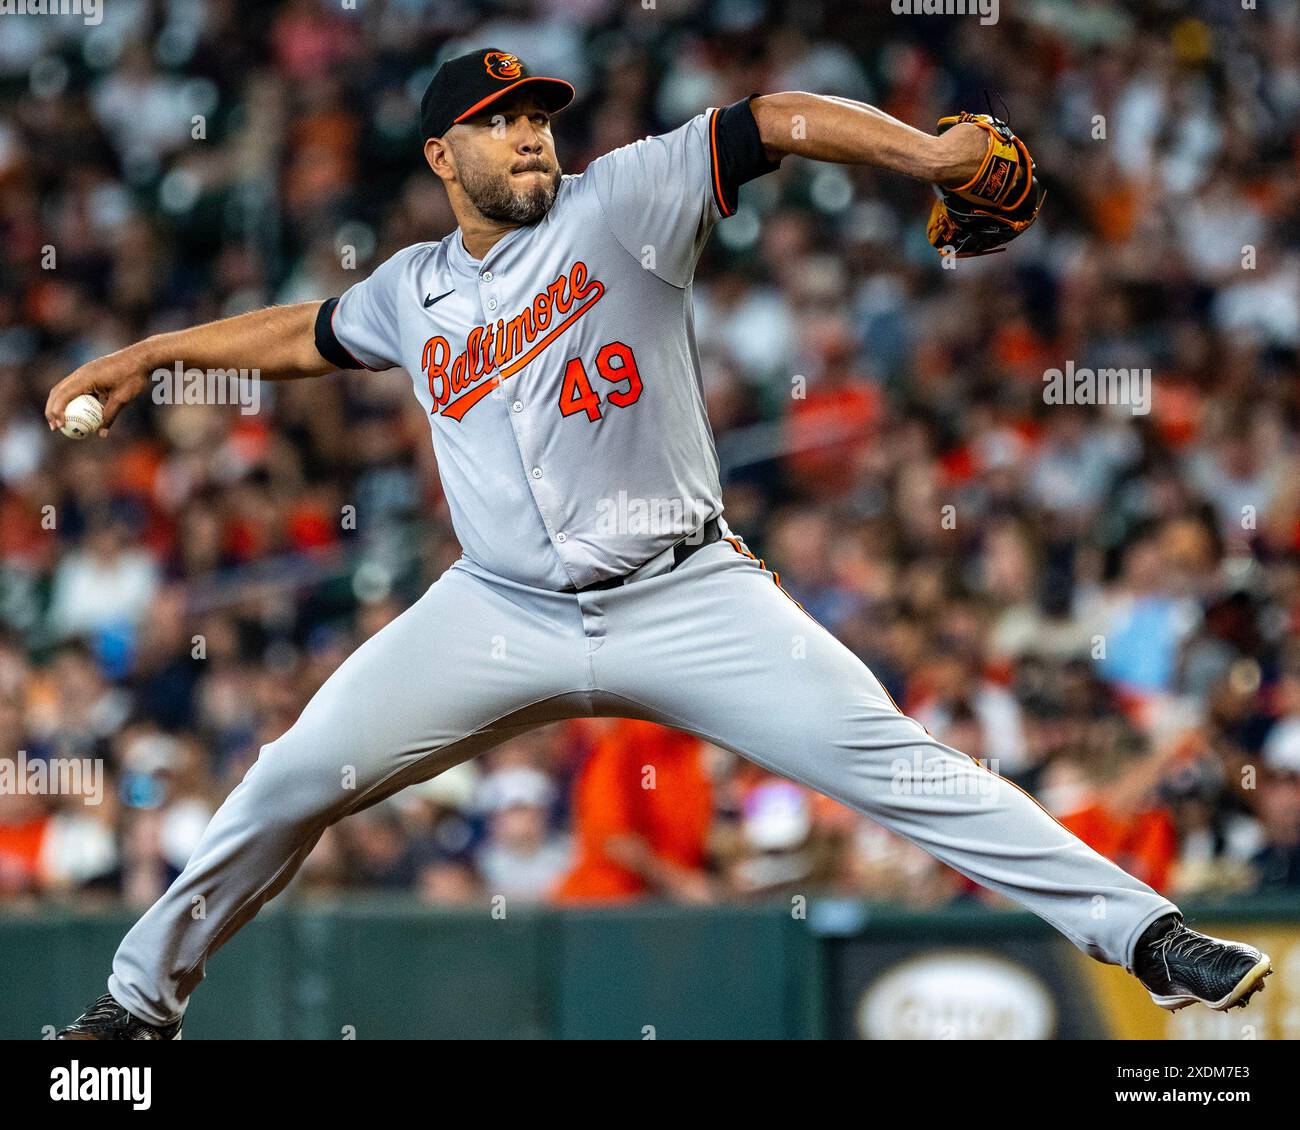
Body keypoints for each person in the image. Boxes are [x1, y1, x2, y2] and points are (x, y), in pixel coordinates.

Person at [48, 49, 1268, 1039]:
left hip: (686, 595)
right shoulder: (408, 288)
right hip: (497, 611)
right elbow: (305, 332)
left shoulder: (622, 199)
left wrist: (924, 153)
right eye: (495, 119)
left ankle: (1150, 936)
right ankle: (134, 1010)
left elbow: (773, 118)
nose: (529, 134)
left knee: (909, 766)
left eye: (536, 113)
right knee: (291, 773)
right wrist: (154, 355)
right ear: (440, 156)